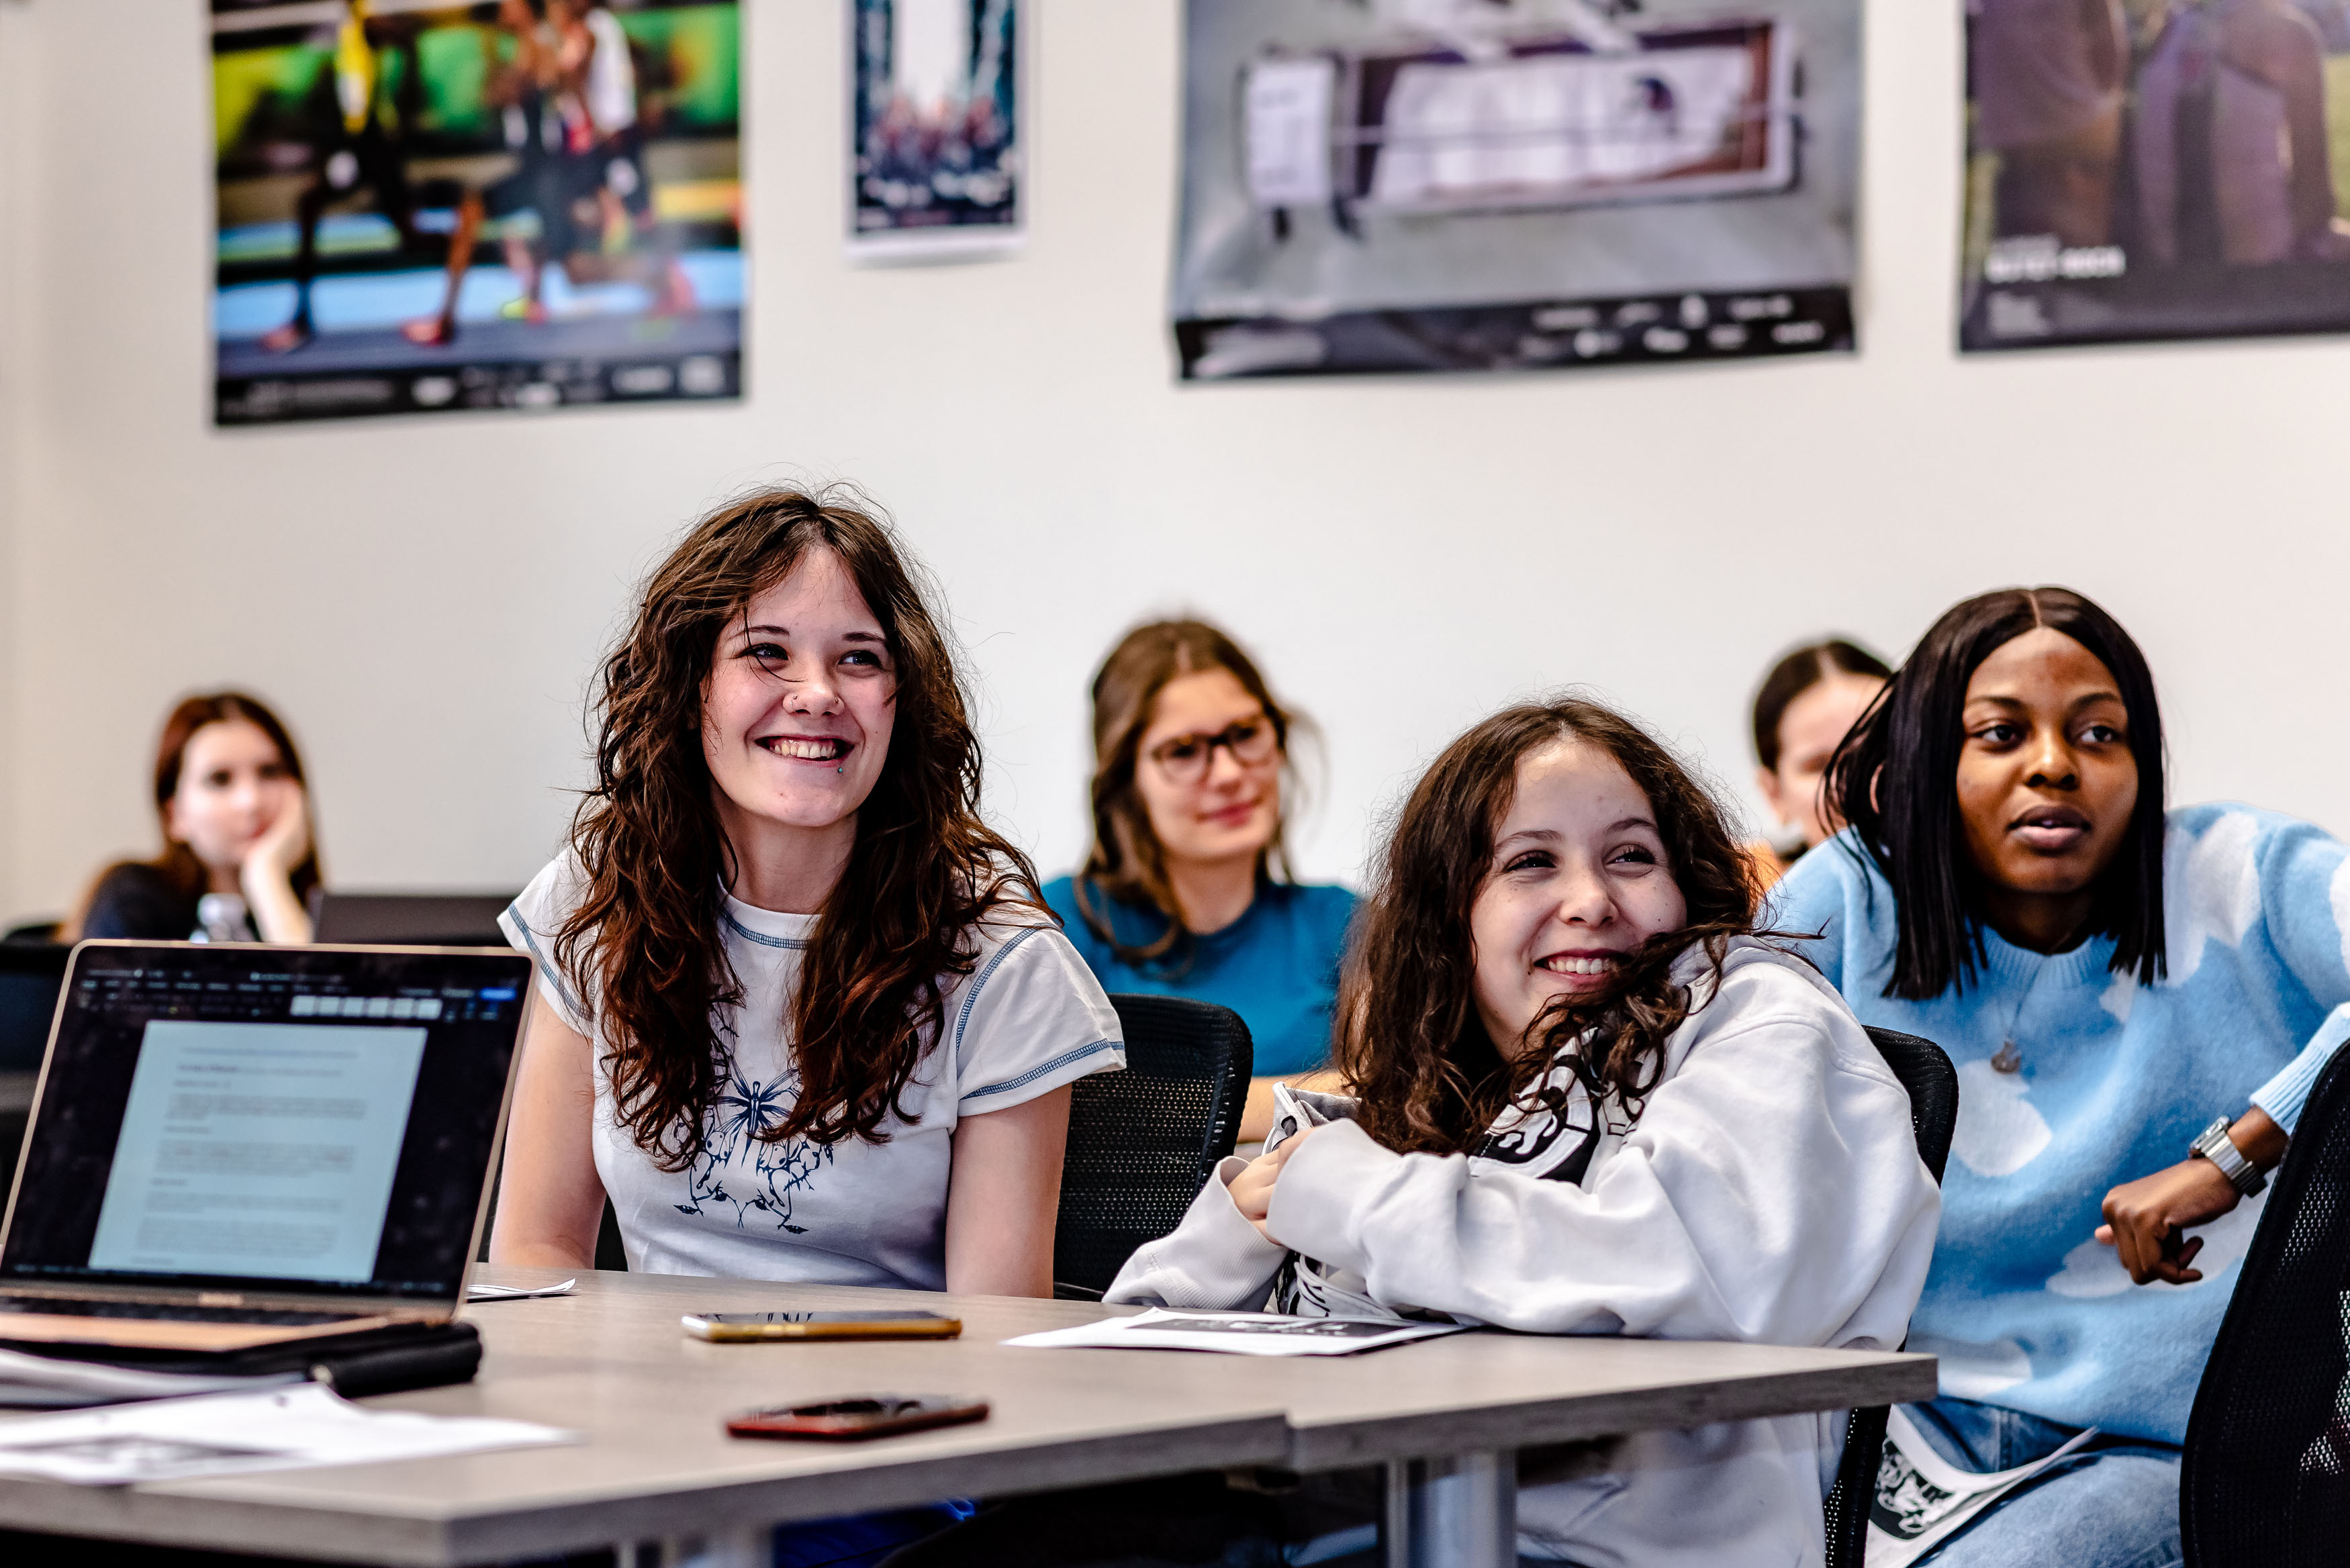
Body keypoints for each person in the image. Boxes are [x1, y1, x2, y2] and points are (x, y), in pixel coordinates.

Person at [910, 698, 1938, 1567]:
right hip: (1347, 1518)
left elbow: (1684, 1275)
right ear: (1452, 918)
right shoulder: (1428, 1101)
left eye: (1632, 856)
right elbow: (1132, 1345)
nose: (1590, 901)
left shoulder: (1756, 1019)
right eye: (1530, 863)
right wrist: (1243, 1218)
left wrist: (1344, 1196)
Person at [1769, 585, 2350, 1567]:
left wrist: (2235, 1152)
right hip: (1907, 1430)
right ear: (1928, 759)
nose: (2054, 763)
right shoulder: (1849, 897)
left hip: (2172, 1441)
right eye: (2000, 733)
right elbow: (1688, 1079)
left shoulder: (2235, 870)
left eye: (2099, 733)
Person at [1042, 622, 1354, 1144]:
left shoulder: (1346, 926)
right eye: (1184, 751)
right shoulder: (1056, 925)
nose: (1230, 772)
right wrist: (1311, 1095)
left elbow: (1388, 1097)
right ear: (1125, 783)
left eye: (1245, 734)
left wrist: (1160, 1102)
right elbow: (1061, 1112)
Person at [66, 693, 320, 945]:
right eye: (220, 779)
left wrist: (267, 878)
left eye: (270, 772)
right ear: (174, 814)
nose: (251, 801)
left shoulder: (314, 914)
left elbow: (317, 983)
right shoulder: (134, 899)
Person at [2133, 0, 2350, 265]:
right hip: (2257, 270)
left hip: (2165, 264)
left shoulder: (2166, 31)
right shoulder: (2288, 34)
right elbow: (2316, 203)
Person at [1971, 0, 2129, 245]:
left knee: (2021, 260)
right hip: (2077, 137)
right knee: (2082, 262)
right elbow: (2110, 60)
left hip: (2019, 145)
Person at [1747, 637, 1891, 888]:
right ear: (1775, 794)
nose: (1856, 780)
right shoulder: (1742, 909)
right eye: (1821, 765)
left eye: (1878, 751)